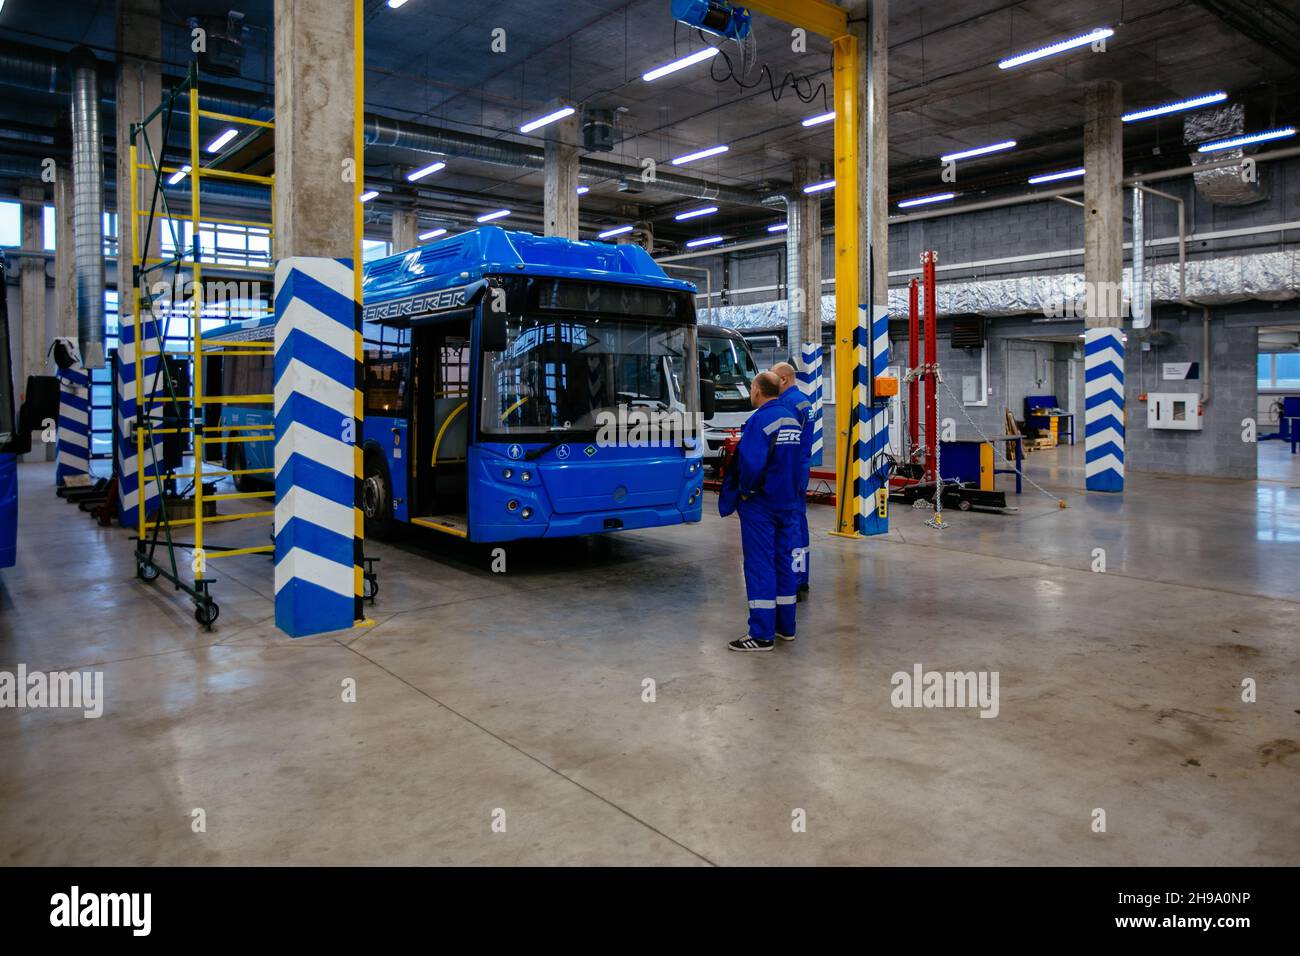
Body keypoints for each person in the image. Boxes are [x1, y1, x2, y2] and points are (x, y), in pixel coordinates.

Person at [717, 370, 805, 652]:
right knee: (783, 562)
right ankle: (785, 627)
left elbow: (752, 464)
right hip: (788, 503)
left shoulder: (760, 420)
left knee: (759, 564)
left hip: (762, 505)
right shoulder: (791, 418)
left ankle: (762, 633)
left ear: (757, 390)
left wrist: (745, 490)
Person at [770, 361, 813, 602]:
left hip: (789, 469)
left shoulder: (786, 403)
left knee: (789, 523)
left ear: (784, 379)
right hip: (802, 465)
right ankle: (802, 576)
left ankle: (792, 580)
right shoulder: (805, 401)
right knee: (800, 519)